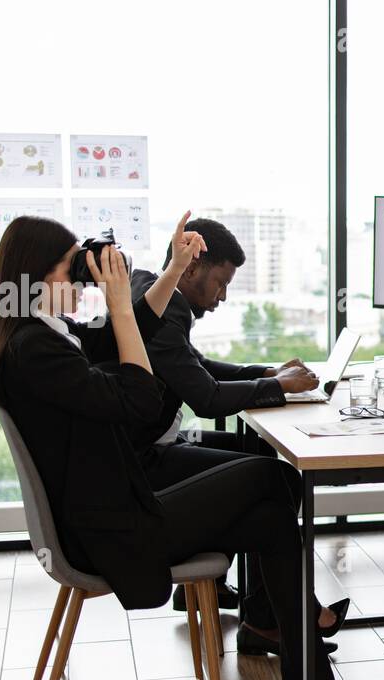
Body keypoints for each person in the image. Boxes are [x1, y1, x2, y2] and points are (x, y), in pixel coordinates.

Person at [0, 216, 368, 680]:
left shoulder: (46, 337)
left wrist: (172, 270)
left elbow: (136, 329)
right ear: (33, 277)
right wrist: (117, 303)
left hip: (114, 506)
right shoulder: (35, 352)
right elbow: (142, 397)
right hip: (114, 532)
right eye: (69, 267)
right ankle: (302, 659)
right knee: (271, 477)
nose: (80, 279)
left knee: (270, 513)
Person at [127, 214, 348, 653]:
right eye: (220, 283)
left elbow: (196, 366)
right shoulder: (166, 310)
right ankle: (270, 615)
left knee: (254, 460)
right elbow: (206, 398)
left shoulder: (152, 292)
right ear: (190, 268)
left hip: (150, 445)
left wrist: (267, 374)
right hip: (145, 461)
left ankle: (264, 611)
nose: (223, 296)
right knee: (277, 478)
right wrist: (277, 387)